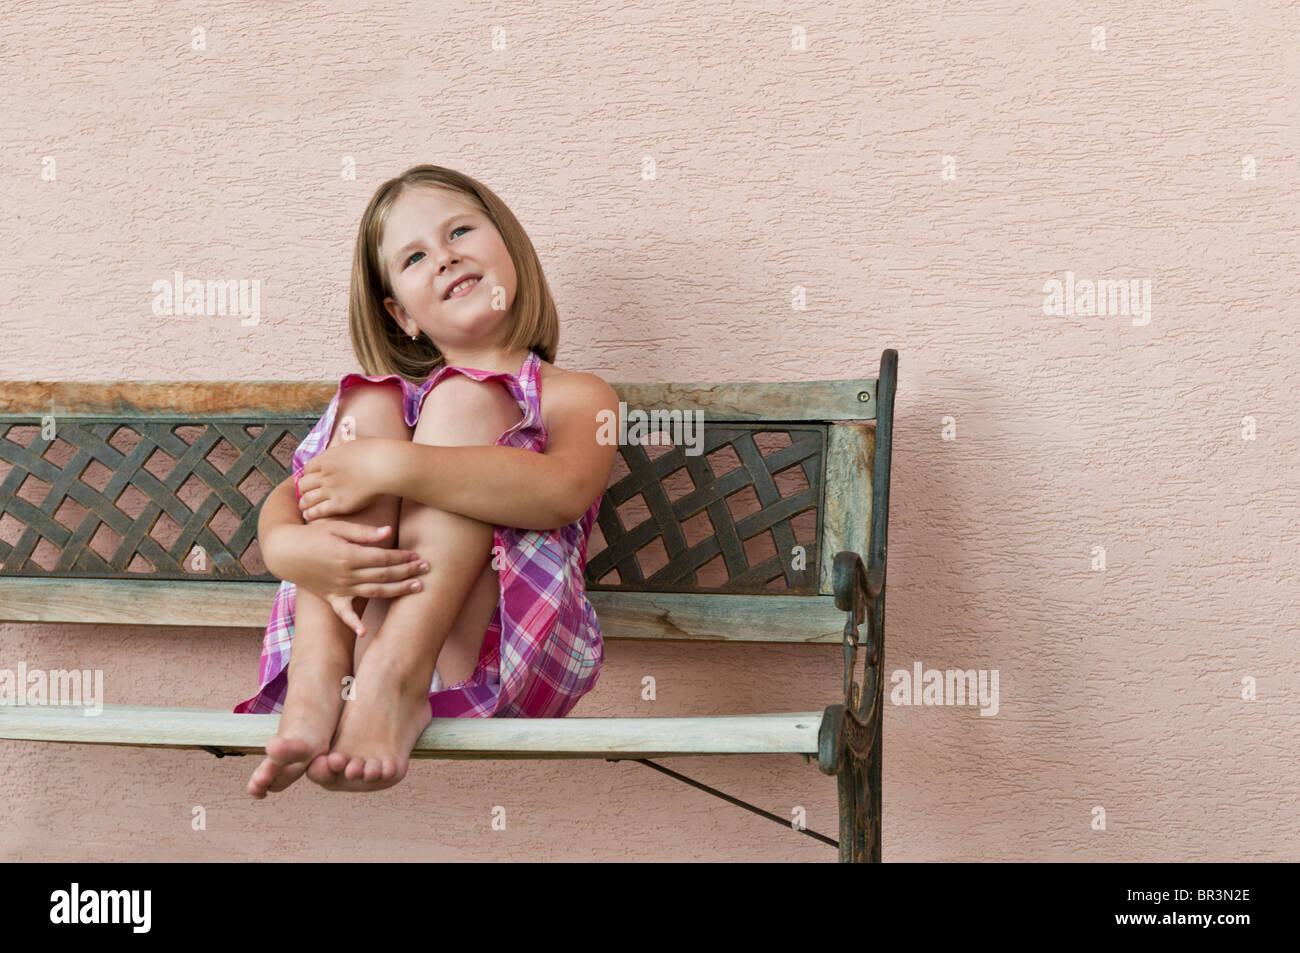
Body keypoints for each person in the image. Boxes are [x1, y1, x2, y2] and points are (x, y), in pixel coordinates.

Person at [235, 164, 619, 798]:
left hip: (497, 656)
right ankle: (316, 681)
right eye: (415, 257)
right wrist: (288, 547)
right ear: (400, 314)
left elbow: (562, 493)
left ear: (510, 247)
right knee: (367, 402)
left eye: (460, 230)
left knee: (464, 401)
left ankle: (396, 674)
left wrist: (393, 464)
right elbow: (299, 491)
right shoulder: (384, 408)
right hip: (351, 657)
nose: (445, 257)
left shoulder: (579, 395)